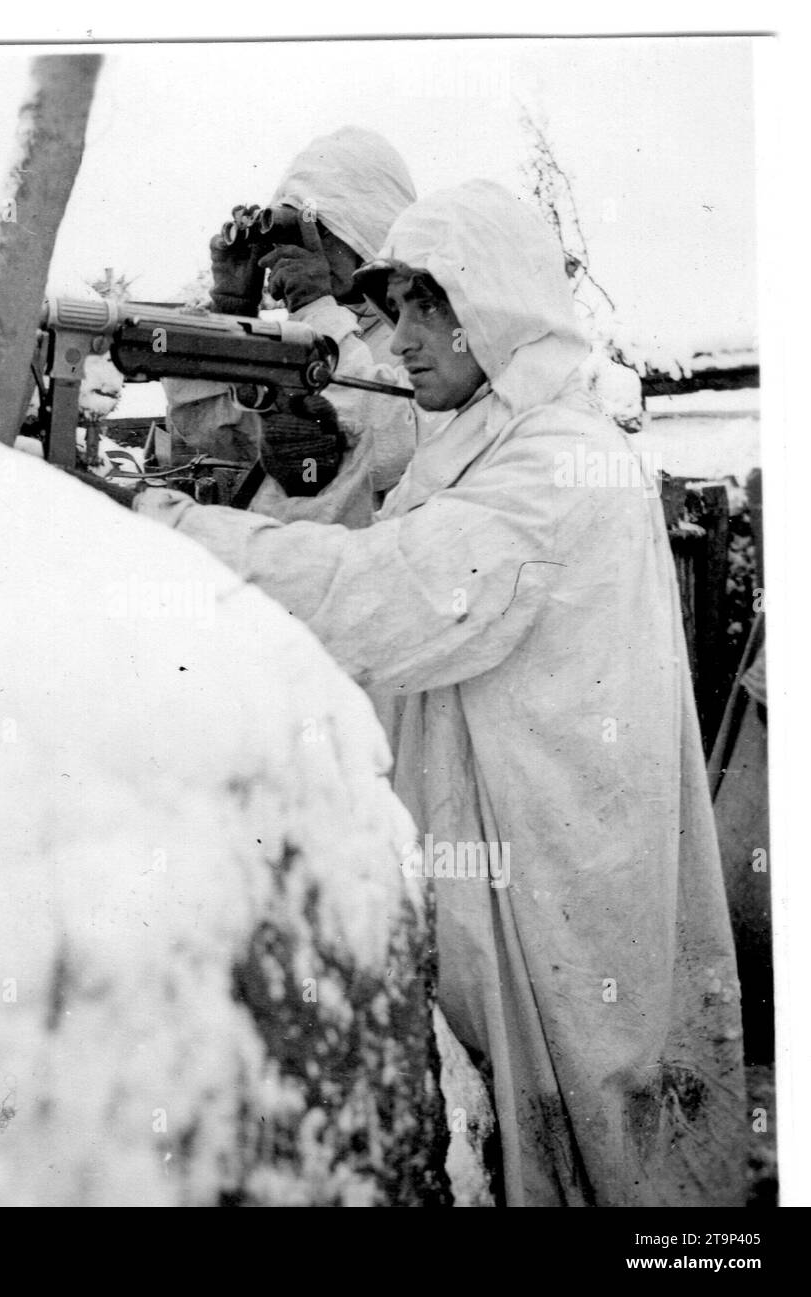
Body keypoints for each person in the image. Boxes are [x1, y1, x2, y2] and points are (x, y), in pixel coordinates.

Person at [128, 179, 747, 1206]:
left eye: (429, 307)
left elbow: (391, 595)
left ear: (492, 306)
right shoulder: (490, 437)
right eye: (395, 309)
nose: (402, 340)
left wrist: (171, 535)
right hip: (514, 853)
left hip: (559, 872)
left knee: (605, 1134)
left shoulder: (554, 465)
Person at [163, 127, 424, 528]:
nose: (308, 250)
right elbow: (212, 429)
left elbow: (386, 451)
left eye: (320, 231)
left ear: (365, 228)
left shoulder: (425, 333)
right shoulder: (321, 326)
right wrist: (233, 314)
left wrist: (315, 307)